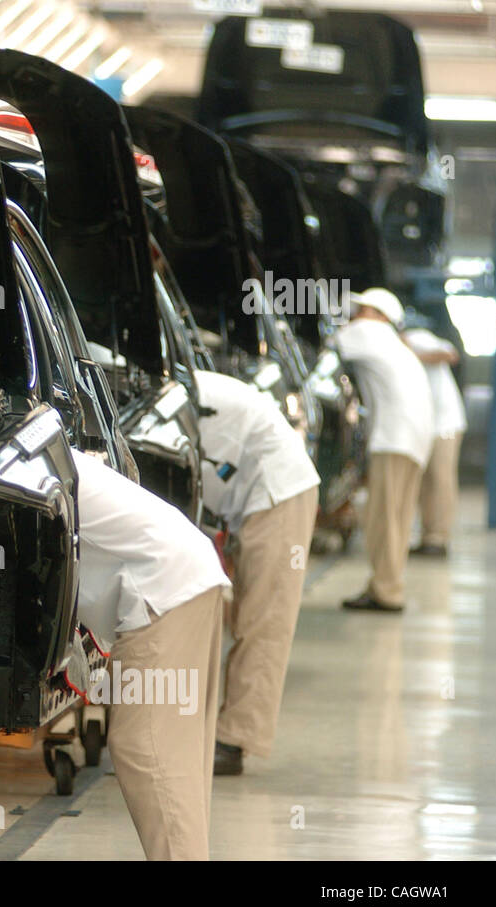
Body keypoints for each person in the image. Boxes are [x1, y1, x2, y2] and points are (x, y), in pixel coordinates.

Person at [72, 448, 231, 860]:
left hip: (164, 591)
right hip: (188, 577)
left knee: (145, 746)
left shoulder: (13, 463)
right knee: (174, 754)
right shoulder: (44, 451)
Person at [191, 370, 320, 777]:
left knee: (263, 621)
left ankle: (234, 740)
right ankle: (214, 728)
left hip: (279, 494)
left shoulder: (182, 398)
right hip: (249, 498)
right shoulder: (185, 388)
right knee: (245, 615)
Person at [334, 288, 435, 612]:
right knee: (398, 518)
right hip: (413, 438)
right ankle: (387, 584)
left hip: (395, 437)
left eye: (362, 309)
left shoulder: (369, 332)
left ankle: (386, 592)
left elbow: (329, 345)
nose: (355, 315)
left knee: (384, 518)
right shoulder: (393, 343)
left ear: (380, 315)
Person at [401, 326, 467, 557]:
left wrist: (411, 355)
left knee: (440, 479)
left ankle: (438, 539)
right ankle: (428, 537)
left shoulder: (418, 337)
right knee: (425, 483)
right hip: (425, 425)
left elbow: (450, 354)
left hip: (446, 424)